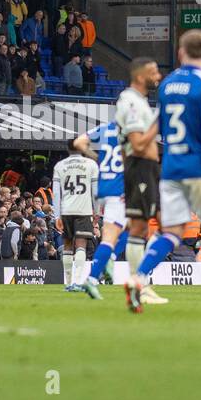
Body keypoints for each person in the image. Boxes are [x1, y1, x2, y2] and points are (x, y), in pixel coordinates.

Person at [128, 31, 201, 315]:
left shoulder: (168, 84)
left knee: (171, 232)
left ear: (180, 53)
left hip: (171, 167)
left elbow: (159, 123)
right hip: (198, 165)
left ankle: (138, 278)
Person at [115, 56, 167, 305]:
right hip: (140, 168)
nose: (158, 77)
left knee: (154, 226)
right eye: (154, 72)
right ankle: (139, 284)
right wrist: (159, 124)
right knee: (142, 227)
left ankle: (140, 282)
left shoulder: (141, 101)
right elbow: (136, 143)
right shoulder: (132, 102)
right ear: (139, 76)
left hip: (146, 169)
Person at [74, 120, 128, 299]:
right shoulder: (134, 130)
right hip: (121, 189)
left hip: (105, 187)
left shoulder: (106, 128)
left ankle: (98, 272)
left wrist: (98, 158)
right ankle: (106, 265)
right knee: (133, 230)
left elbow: (79, 142)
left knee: (126, 230)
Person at [51, 138, 99, 290]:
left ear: (68, 149)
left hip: (66, 210)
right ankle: (77, 282)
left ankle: (67, 282)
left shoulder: (60, 165)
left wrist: (57, 215)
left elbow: (56, 194)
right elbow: (95, 192)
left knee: (67, 245)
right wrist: (97, 211)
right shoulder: (91, 164)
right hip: (83, 210)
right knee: (81, 245)